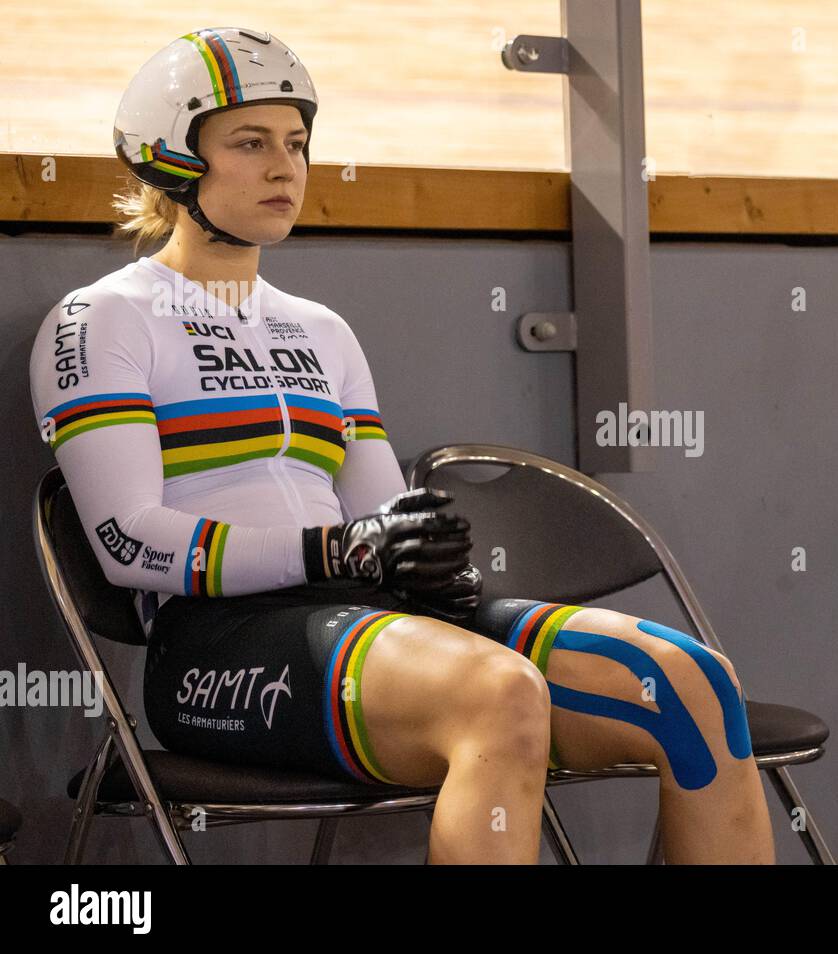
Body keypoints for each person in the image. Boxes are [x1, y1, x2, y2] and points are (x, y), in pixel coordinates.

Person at [29, 27, 774, 864]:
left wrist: (417, 554)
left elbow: (378, 515)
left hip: (361, 617)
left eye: (298, 144)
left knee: (691, 682)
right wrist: (339, 550)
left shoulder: (322, 331)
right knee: (497, 694)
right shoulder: (102, 318)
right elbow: (129, 542)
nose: (286, 168)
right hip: (214, 647)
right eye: (250, 142)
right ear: (171, 159)